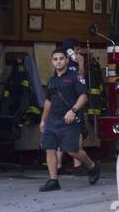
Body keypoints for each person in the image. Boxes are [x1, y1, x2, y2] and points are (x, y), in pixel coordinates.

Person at [39, 48, 100, 192]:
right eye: (55, 59)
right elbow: (48, 102)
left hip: (69, 120)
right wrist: (43, 120)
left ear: (66, 60)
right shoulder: (51, 80)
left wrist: (73, 111)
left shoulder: (75, 77)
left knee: (72, 151)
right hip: (53, 120)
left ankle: (92, 166)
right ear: (52, 62)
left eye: (61, 58)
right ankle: (53, 180)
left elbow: (83, 96)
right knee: (50, 149)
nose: (58, 61)